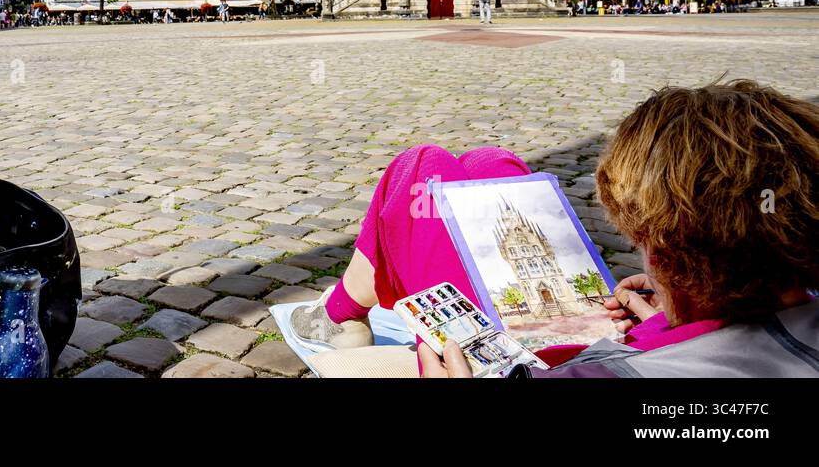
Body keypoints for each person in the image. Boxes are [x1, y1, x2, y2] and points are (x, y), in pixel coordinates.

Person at [289, 81, 819, 376]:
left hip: (534, 361)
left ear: (659, 247)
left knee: (423, 168)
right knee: (490, 166)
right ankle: (345, 308)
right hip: (673, 327)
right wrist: (678, 315)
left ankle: (343, 312)